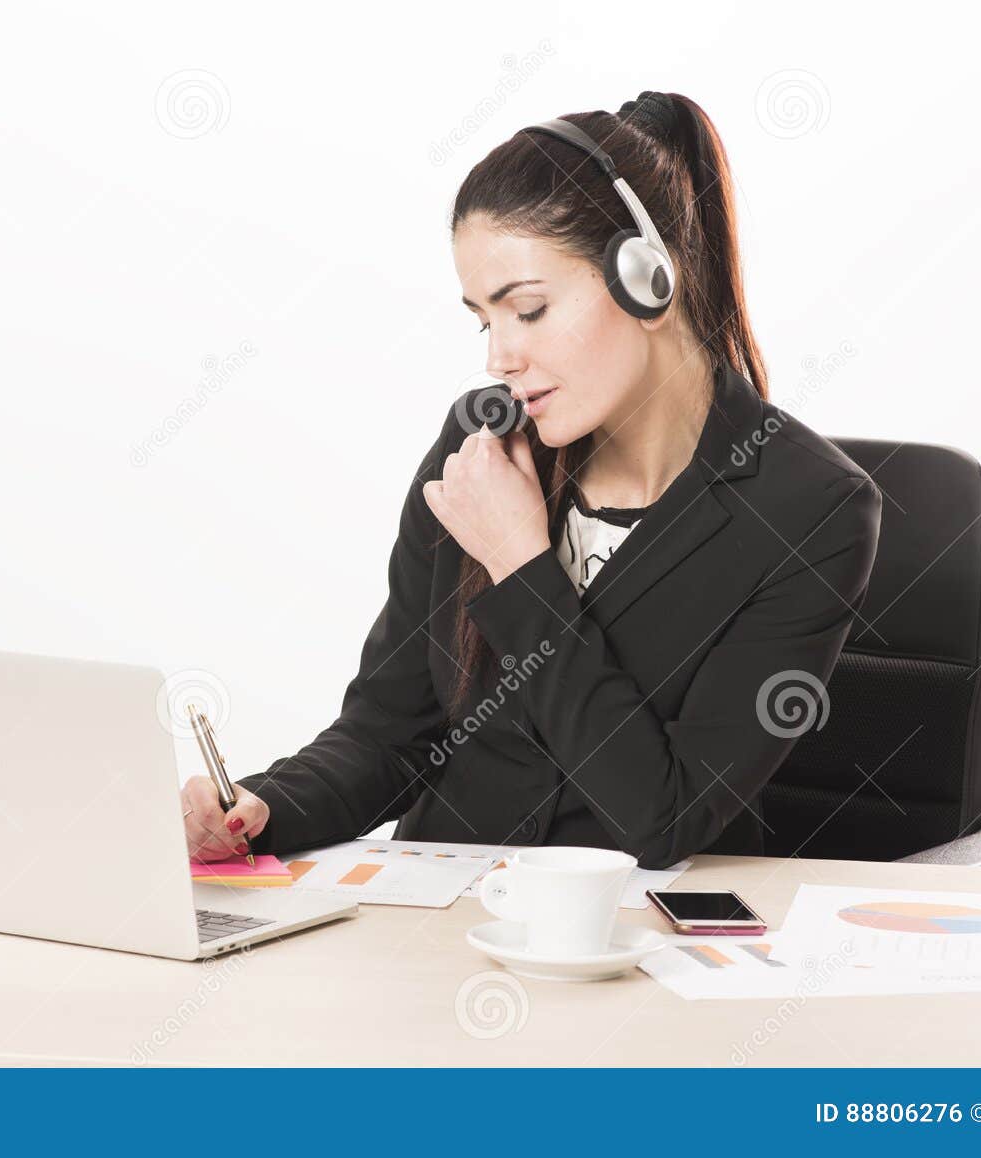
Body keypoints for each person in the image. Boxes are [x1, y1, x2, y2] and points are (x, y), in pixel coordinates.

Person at [181, 92, 880, 870]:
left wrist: (519, 564)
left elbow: (666, 818)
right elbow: (389, 732)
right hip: (436, 921)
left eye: (531, 310)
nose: (499, 358)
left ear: (647, 280)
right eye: (487, 320)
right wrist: (262, 809)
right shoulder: (482, 446)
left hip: (630, 929)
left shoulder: (813, 509)